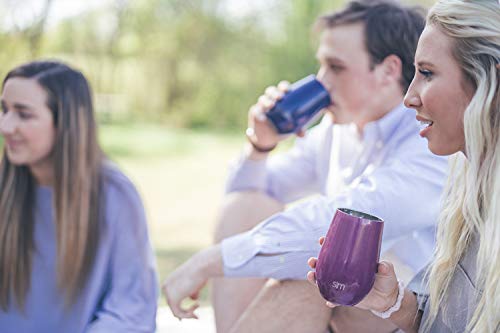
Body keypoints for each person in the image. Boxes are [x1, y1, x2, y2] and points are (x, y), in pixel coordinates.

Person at [162, 1, 449, 332]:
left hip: (412, 314)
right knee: (246, 204)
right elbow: (249, 196)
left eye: (335, 67)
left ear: (387, 71)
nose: (321, 82)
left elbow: (343, 219)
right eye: (321, 66)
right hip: (349, 308)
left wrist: (211, 261)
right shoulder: (335, 132)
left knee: (312, 280)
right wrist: (260, 144)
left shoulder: (429, 140)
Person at [308, 0, 500, 331]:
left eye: (427, 73)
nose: (409, 97)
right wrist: (393, 302)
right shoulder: (471, 193)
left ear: (490, 82)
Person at [0, 61, 158, 333]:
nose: (6, 126)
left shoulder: (115, 196)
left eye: (23, 115)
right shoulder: (5, 189)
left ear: (66, 122)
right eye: (4, 110)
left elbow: (131, 309)